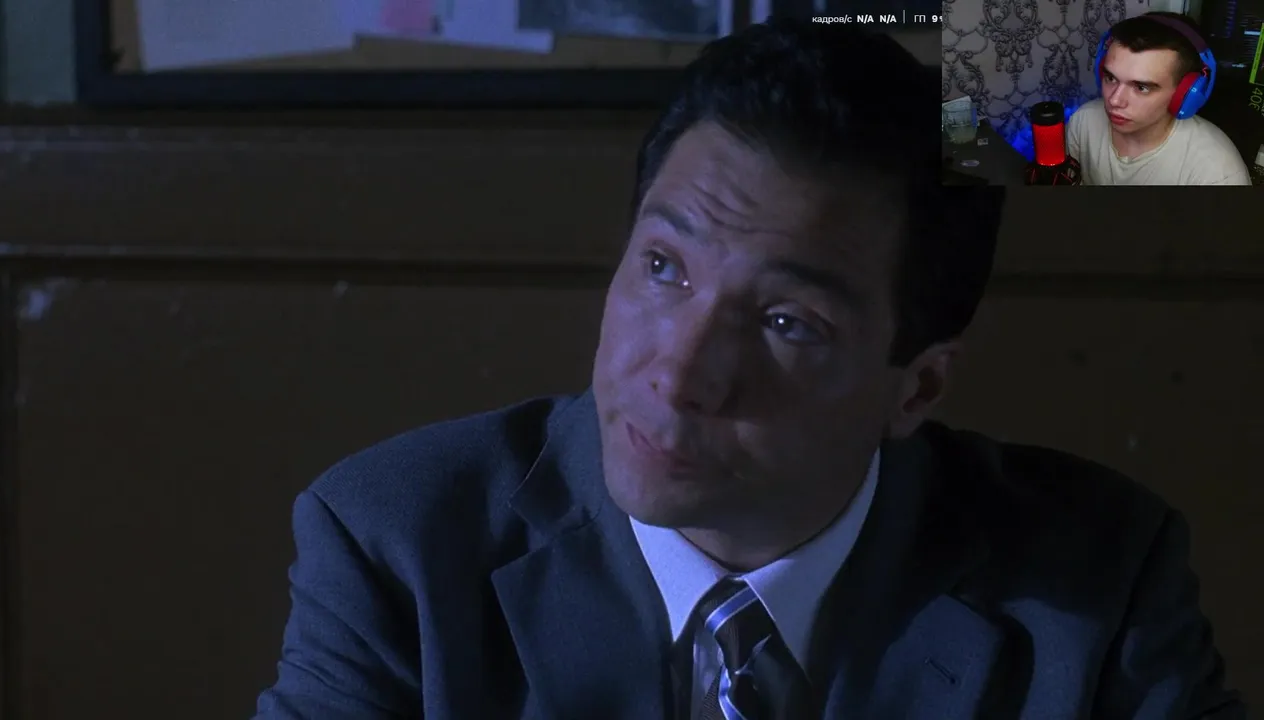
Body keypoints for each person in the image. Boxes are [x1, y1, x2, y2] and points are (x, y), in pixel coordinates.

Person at [254, 18, 1246, 720]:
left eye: (785, 321)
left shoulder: (1094, 584)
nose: (679, 372)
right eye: (663, 267)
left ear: (917, 387)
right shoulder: (396, 546)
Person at [1066, 12, 1251, 185]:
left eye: (1141, 87)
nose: (1114, 101)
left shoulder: (1217, 173)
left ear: (1185, 95)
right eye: (1111, 78)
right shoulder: (1083, 122)